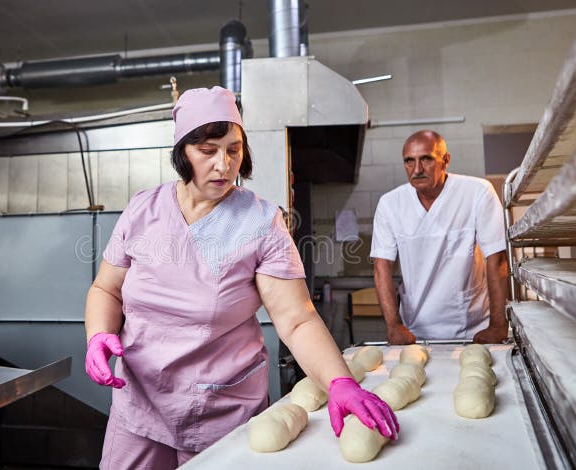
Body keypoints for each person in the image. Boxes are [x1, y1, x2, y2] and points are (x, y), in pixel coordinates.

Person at [84, 86, 398, 469]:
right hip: (139, 405)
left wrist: (339, 382)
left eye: (234, 149)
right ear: (182, 151)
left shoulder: (260, 222)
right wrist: (98, 334)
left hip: (220, 412)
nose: (224, 164)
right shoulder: (141, 210)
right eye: (208, 150)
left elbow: (296, 318)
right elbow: (106, 289)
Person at [371, 130, 509, 345]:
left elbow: (498, 259)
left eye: (426, 159)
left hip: (472, 329)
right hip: (415, 330)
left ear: (445, 160)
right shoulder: (390, 204)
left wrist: (498, 325)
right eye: (409, 161)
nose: (417, 169)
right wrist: (394, 326)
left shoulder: (477, 192)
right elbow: (381, 267)